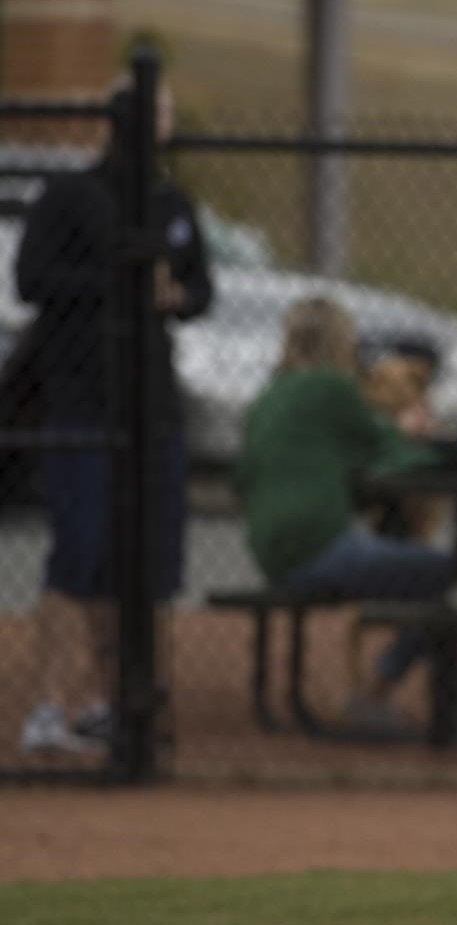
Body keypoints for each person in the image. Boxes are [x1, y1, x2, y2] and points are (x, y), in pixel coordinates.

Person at [15, 79, 211, 755]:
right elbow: (31, 280)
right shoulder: (72, 196)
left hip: (152, 407)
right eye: (157, 108)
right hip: (84, 404)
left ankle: (128, 702)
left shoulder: (170, 202)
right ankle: (50, 707)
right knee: (80, 553)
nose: (165, 120)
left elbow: (200, 290)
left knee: (148, 562)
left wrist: (172, 293)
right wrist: (121, 281)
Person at [236, 297, 457, 736]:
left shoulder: (267, 396)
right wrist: (411, 432)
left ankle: (395, 692)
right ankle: (378, 694)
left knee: (427, 575)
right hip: (319, 551)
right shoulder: (331, 389)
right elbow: (396, 454)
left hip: (271, 552)